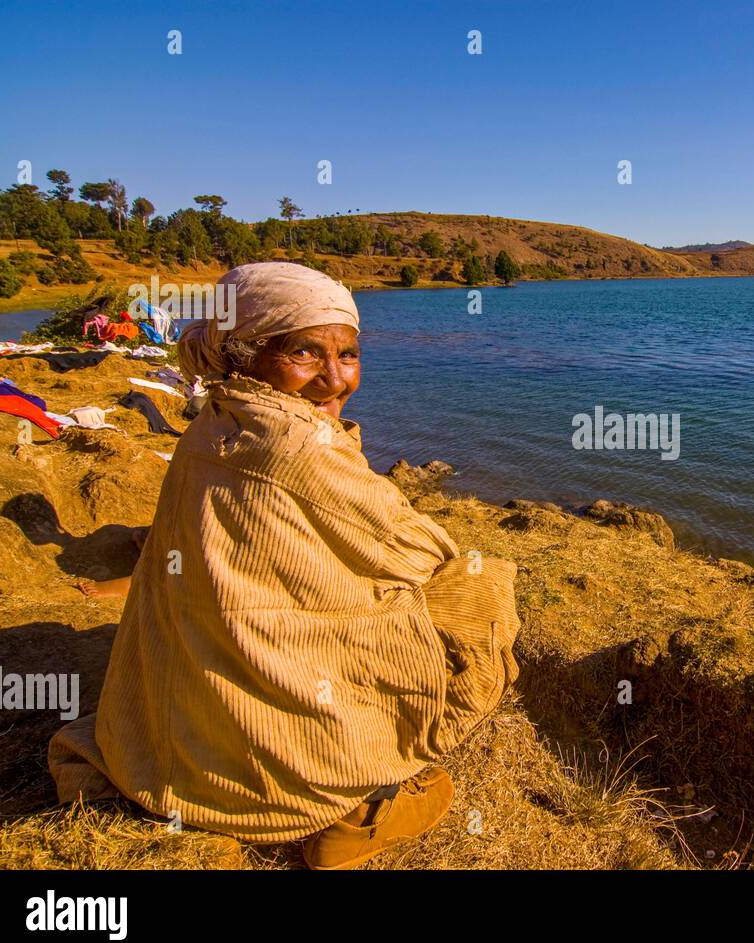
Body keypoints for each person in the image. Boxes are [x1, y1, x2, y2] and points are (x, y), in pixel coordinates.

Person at [48, 262, 520, 869]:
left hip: (161, 750)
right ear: (243, 353)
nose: (334, 379)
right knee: (482, 583)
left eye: (347, 355)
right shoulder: (295, 445)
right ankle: (350, 812)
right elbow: (427, 558)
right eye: (304, 352)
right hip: (270, 773)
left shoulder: (217, 420)